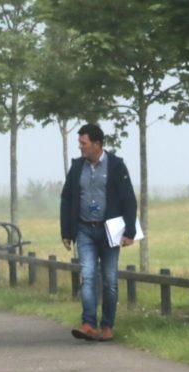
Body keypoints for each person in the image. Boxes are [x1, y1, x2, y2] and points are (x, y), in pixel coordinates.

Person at [59, 122, 138, 343]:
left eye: (83, 143)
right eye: (79, 143)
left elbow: (128, 199)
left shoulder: (116, 166)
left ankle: (107, 326)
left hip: (109, 231)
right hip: (84, 229)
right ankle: (88, 324)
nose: (80, 147)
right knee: (88, 276)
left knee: (110, 280)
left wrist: (130, 231)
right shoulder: (77, 167)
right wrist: (66, 231)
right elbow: (66, 199)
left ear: (97, 144)